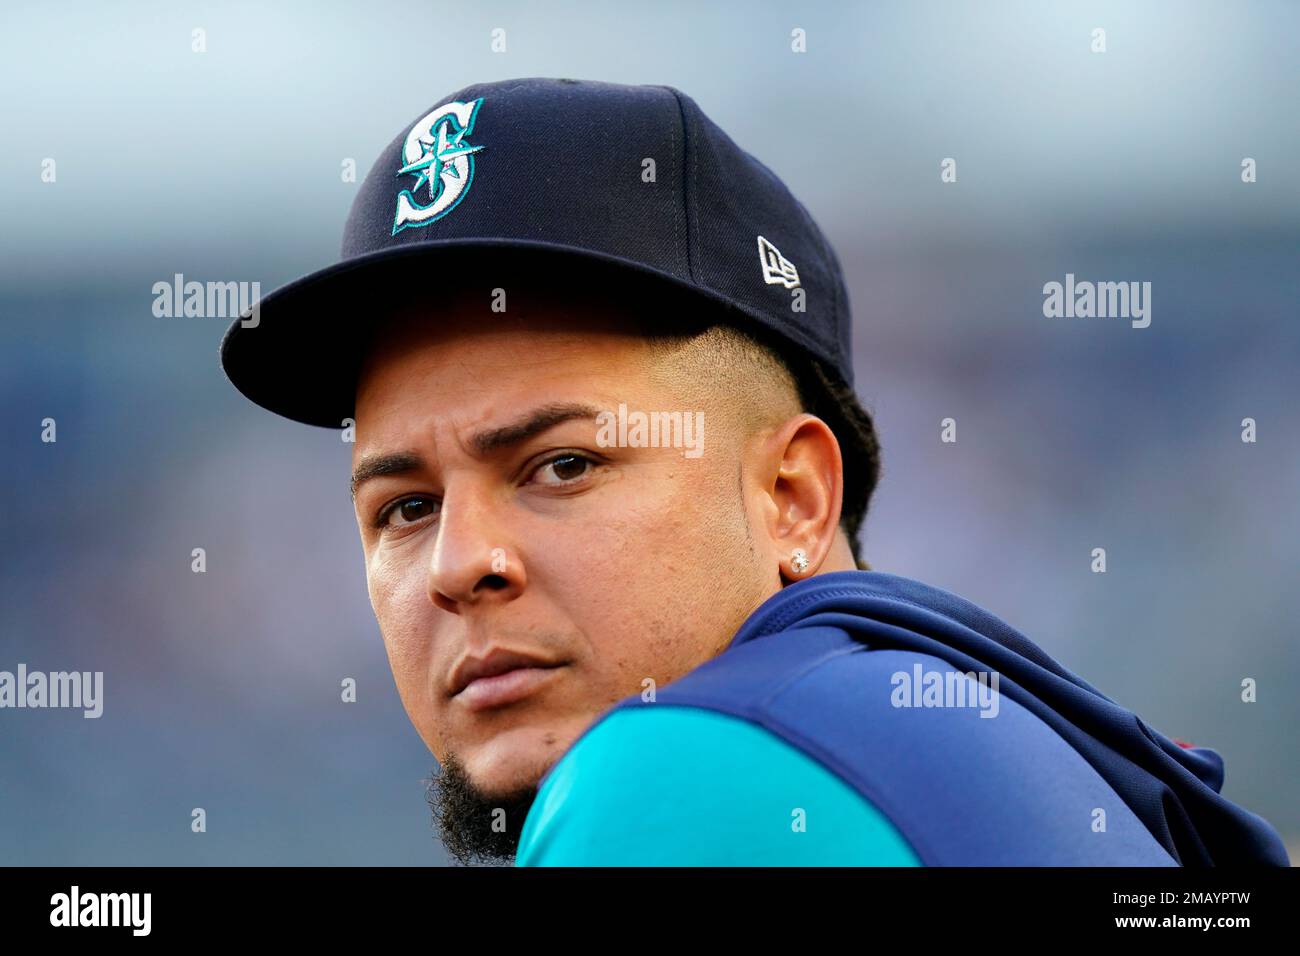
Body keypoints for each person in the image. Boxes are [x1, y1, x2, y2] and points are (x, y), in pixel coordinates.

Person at [220, 77, 1289, 866]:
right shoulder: (996, 747)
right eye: (403, 506)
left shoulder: (676, 773)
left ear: (790, 499)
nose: (460, 564)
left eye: (558, 464)